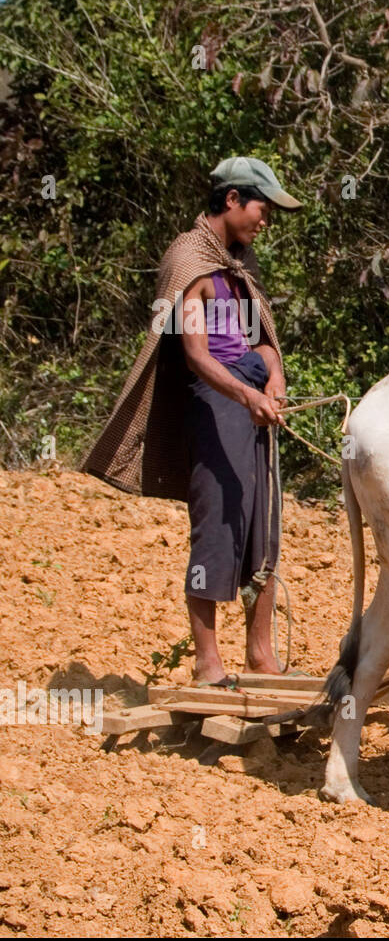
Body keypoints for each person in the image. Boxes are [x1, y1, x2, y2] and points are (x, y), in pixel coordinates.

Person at [83, 157, 303, 684]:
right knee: (218, 522)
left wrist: (274, 378)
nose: (265, 220)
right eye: (261, 208)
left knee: (262, 525)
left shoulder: (239, 264)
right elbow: (196, 355)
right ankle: (208, 664)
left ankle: (260, 655)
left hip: (252, 394)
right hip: (216, 400)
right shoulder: (187, 260)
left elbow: (257, 339)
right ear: (232, 200)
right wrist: (246, 394)